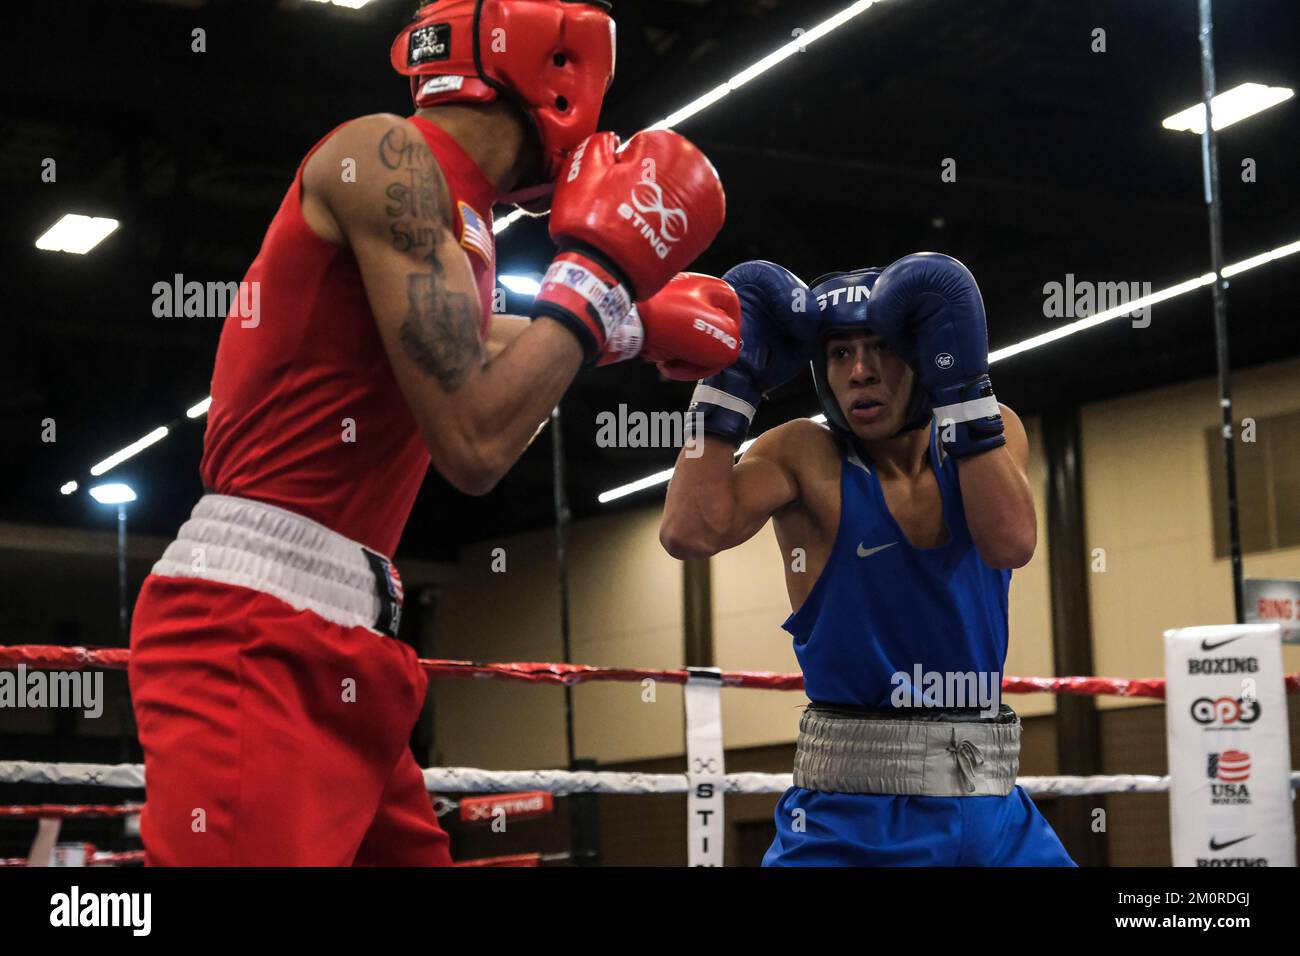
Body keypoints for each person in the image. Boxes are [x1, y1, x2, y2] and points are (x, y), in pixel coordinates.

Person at [128, 0, 741, 866]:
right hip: (252, 631)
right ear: (558, 71)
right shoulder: (386, 156)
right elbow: (475, 439)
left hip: (351, 635)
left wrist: (634, 323)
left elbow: (462, 344)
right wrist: (601, 277)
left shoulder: (457, 216)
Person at [660, 254, 1075, 865]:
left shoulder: (989, 432)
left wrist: (963, 390)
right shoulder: (803, 452)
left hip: (990, 801)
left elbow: (1011, 543)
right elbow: (688, 532)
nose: (859, 372)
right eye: (839, 354)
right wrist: (727, 388)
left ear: (922, 354)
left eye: (881, 348)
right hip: (853, 816)